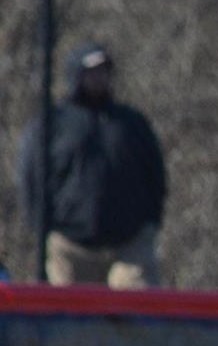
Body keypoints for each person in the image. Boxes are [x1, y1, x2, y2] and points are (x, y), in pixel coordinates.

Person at [15, 43, 168, 288]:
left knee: (138, 303)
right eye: (91, 72)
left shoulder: (130, 122)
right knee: (68, 310)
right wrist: (44, 227)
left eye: (103, 71)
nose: (98, 78)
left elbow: (155, 174)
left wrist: (150, 223)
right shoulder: (52, 124)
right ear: (76, 74)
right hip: (70, 245)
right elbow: (30, 177)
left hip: (129, 244)